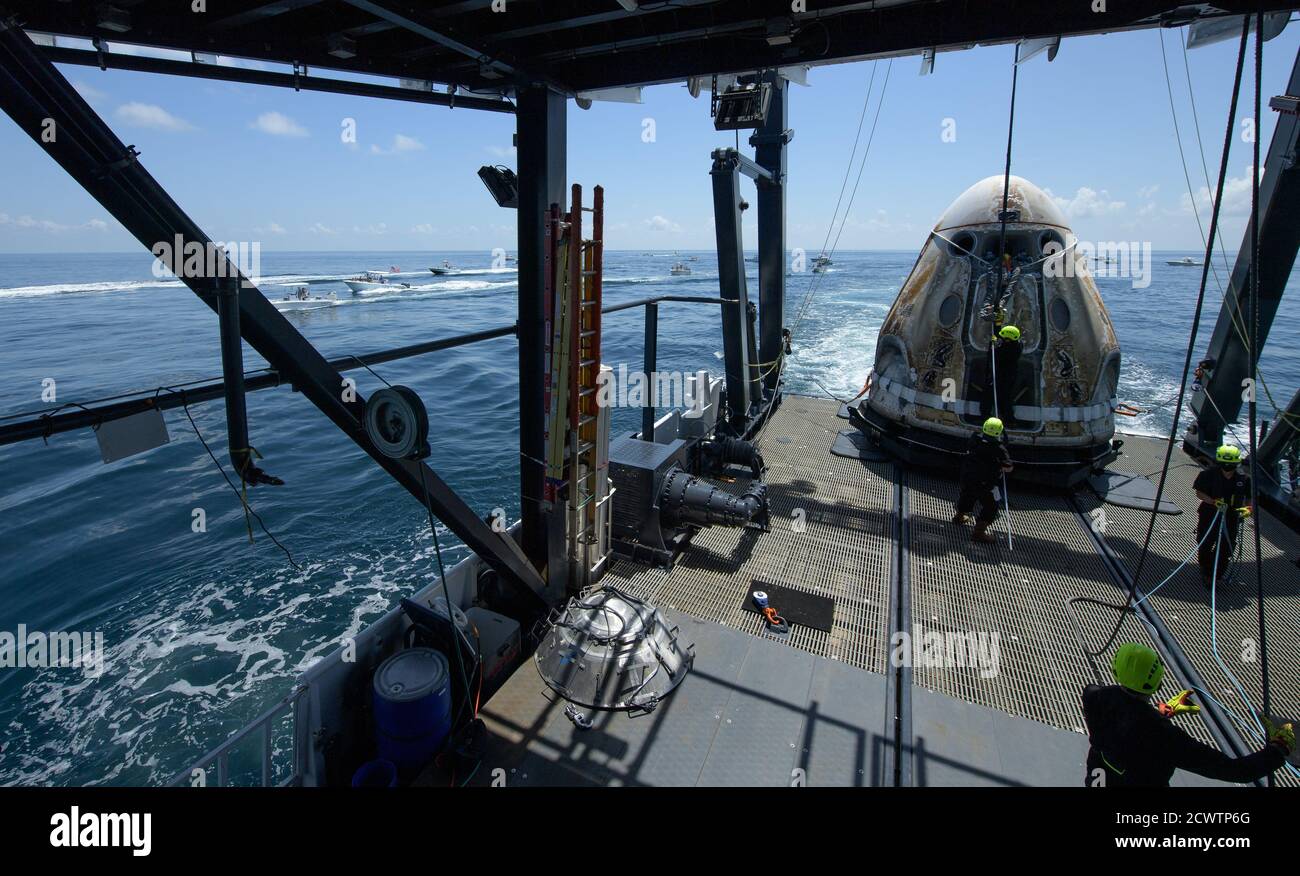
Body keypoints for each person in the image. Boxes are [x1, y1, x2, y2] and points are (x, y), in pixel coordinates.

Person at [1082, 642, 1293, 786]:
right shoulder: (1167, 738)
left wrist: (1161, 713)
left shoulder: (1093, 697)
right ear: (1158, 682)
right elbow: (1234, 770)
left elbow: (1125, 721)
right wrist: (1278, 750)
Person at [1193, 444, 1252, 588]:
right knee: (1205, 543)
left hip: (1232, 516)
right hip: (1210, 515)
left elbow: (1250, 497)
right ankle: (1205, 569)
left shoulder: (1244, 479)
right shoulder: (1207, 475)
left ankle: (1215, 576)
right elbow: (1199, 493)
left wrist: (1248, 509)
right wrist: (1213, 501)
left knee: (1226, 547)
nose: (1227, 467)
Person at [952, 416, 1013, 543]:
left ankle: (959, 516)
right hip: (985, 482)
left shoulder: (974, 439)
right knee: (991, 505)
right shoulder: (999, 449)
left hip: (968, 476)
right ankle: (978, 532)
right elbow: (1008, 467)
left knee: (967, 495)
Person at [981, 324, 1023, 420]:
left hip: (1003, 375)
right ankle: (1006, 416)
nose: (1002, 339)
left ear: (1008, 339)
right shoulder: (1018, 344)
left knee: (995, 394)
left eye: (1004, 338)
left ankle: (988, 414)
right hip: (1008, 374)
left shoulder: (1011, 349)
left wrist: (993, 347)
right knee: (1005, 395)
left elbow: (995, 356)